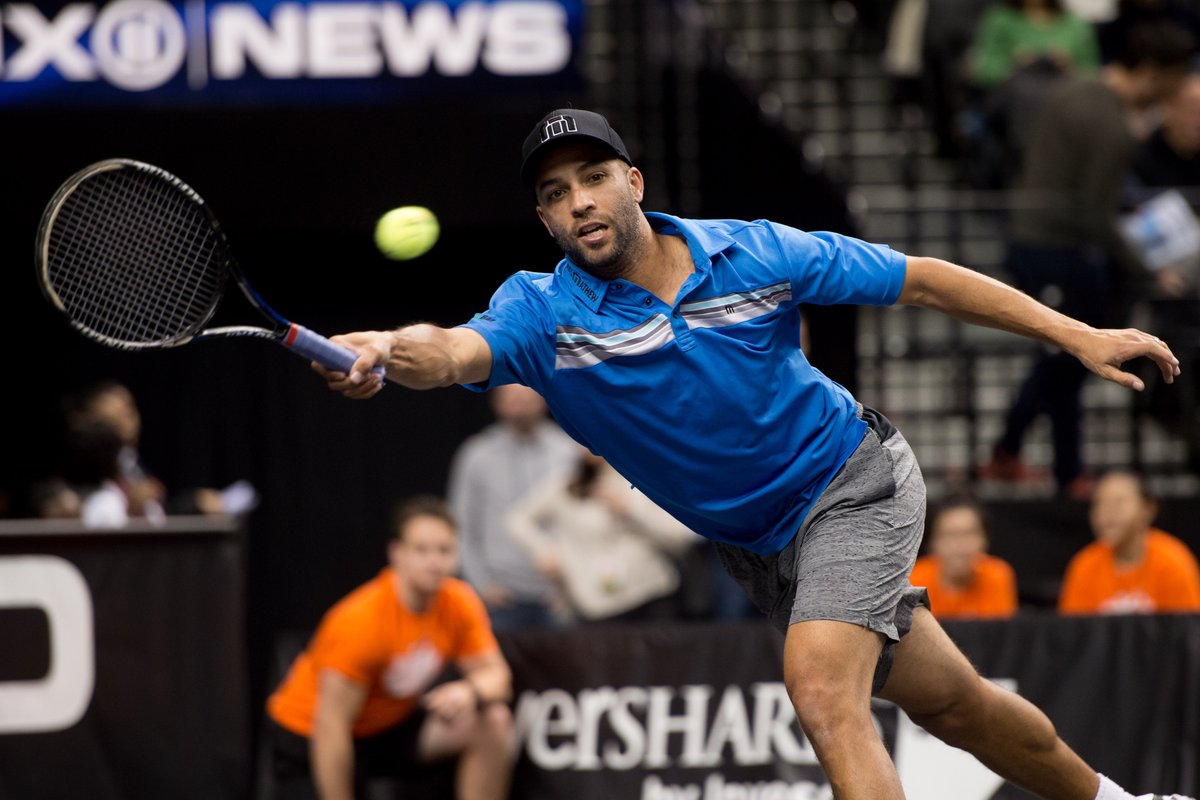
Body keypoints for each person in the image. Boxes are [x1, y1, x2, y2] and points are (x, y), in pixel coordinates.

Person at [312, 107, 1190, 799]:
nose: (578, 200)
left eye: (593, 177)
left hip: (852, 484)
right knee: (957, 705)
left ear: (633, 182)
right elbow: (452, 351)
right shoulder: (540, 315)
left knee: (821, 690)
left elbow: (920, 279)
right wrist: (387, 347)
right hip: (763, 551)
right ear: (544, 218)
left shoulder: (754, 253)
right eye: (554, 192)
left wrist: (1075, 334)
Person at [980, 20, 1196, 499]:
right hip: (1060, 251)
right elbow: (1098, 215)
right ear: (1153, 72)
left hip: (1034, 242)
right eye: (1175, 79)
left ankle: (1060, 468)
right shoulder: (1112, 125)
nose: (1176, 91)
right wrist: (1150, 270)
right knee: (1070, 355)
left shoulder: (1076, 88)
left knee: (1067, 359)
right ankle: (1012, 452)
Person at [265, 495, 514, 800]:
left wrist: (470, 691)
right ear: (397, 553)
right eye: (421, 550)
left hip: (387, 726)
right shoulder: (362, 621)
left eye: (444, 550)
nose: (434, 562)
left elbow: (498, 677)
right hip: (309, 734)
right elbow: (331, 727)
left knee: (493, 720)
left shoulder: (459, 602)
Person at [505, 447, 702, 622]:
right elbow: (517, 518)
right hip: (595, 603)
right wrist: (545, 550)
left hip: (650, 594)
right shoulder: (566, 483)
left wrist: (631, 511)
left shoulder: (640, 479)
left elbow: (682, 538)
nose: (587, 446)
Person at [446, 382, 578, 630]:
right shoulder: (477, 454)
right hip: (499, 595)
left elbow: (580, 521)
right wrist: (481, 584)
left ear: (542, 397)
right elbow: (460, 524)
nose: (521, 403)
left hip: (558, 595)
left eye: (526, 394)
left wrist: (572, 585)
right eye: (512, 396)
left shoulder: (568, 451)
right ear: (496, 401)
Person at [1059, 469, 1200, 613]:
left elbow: (1188, 624)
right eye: (1100, 503)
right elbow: (1074, 625)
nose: (1107, 513)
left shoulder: (1172, 562)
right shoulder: (1084, 567)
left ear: (1148, 510)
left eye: (1119, 502)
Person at [909, 494, 1019, 619]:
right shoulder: (915, 580)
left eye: (969, 534)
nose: (960, 545)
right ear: (933, 543)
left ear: (985, 540)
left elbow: (1003, 628)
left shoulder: (997, 575)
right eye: (950, 535)